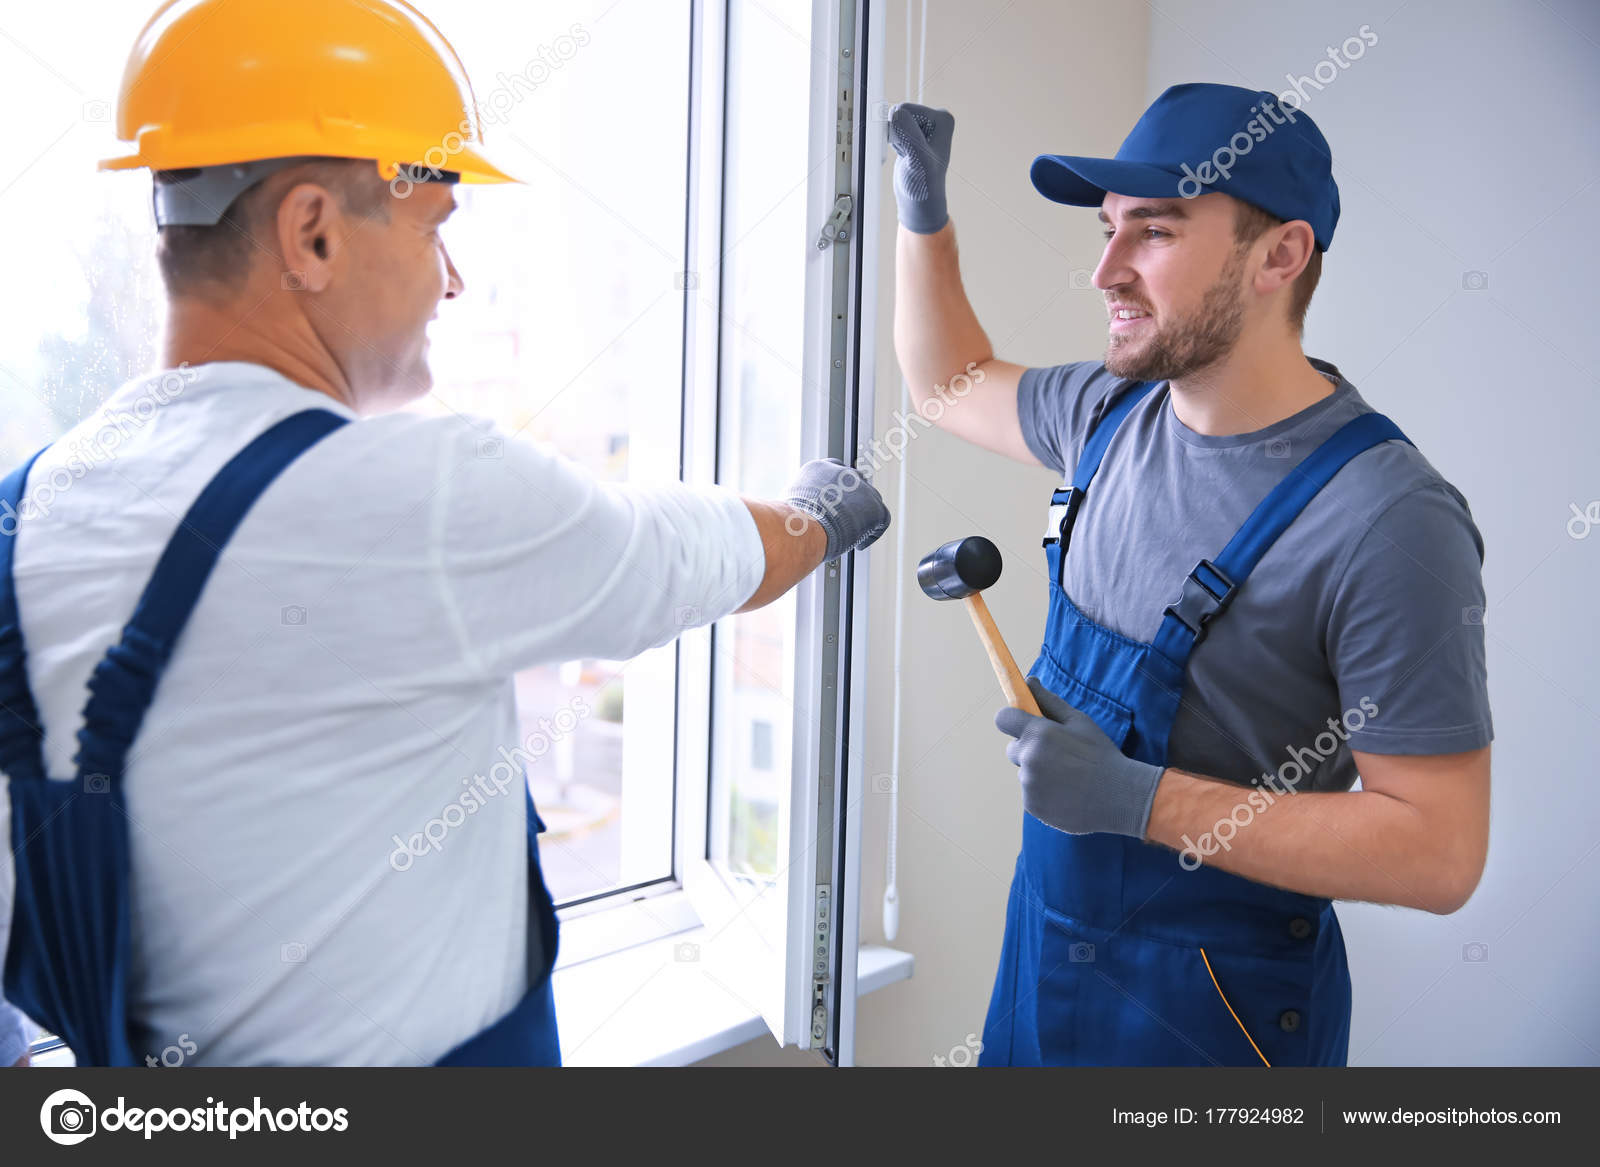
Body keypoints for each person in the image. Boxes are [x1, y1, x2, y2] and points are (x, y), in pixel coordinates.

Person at [0, 0, 888, 1067]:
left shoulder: (23, 516)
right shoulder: (416, 492)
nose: (452, 279)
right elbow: (683, 556)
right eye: (435, 225)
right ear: (312, 233)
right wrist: (825, 514)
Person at [889, 83, 1490, 1067]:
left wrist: (1139, 800)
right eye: (1107, 229)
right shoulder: (1107, 416)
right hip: (1041, 975)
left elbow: (1439, 852)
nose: (1104, 272)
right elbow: (949, 383)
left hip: (1215, 1022)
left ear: (1280, 256)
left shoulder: (1385, 520)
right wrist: (923, 217)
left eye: (1154, 233)